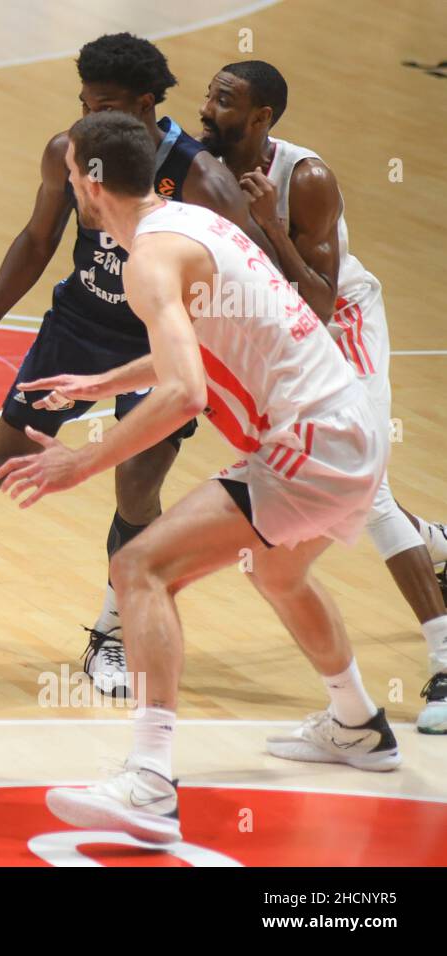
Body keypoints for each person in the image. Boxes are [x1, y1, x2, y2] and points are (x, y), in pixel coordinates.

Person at [4, 111, 399, 844]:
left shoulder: (149, 261)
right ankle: (359, 725)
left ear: (92, 185)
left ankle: (150, 783)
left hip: (311, 443)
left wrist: (80, 462)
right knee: (279, 575)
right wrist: (104, 383)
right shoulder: (188, 223)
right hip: (349, 429)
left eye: (69, 175)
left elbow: (185, 393)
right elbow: (206, 345)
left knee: (139, 567)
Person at [0, 34, 272, 688]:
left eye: (101, 103)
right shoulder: (69, 150)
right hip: (80, 324)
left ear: (144, 101)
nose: (85, 116)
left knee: (138, 484)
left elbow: (248, 275)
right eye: (81, 101)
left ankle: (110, 635)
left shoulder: (199, 178)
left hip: (159, 340)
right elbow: (38, 238)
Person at [199, 60, 447, 734]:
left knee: (368, 490)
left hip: (341, 324)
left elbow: (319, 297)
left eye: (225, 101)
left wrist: (266, 226)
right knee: (339, 488)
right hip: (278, 335)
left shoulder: (305, 179)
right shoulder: (198, 169)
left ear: (261, 119)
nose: (208, 108)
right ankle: (436, 546)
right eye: (209, 95)